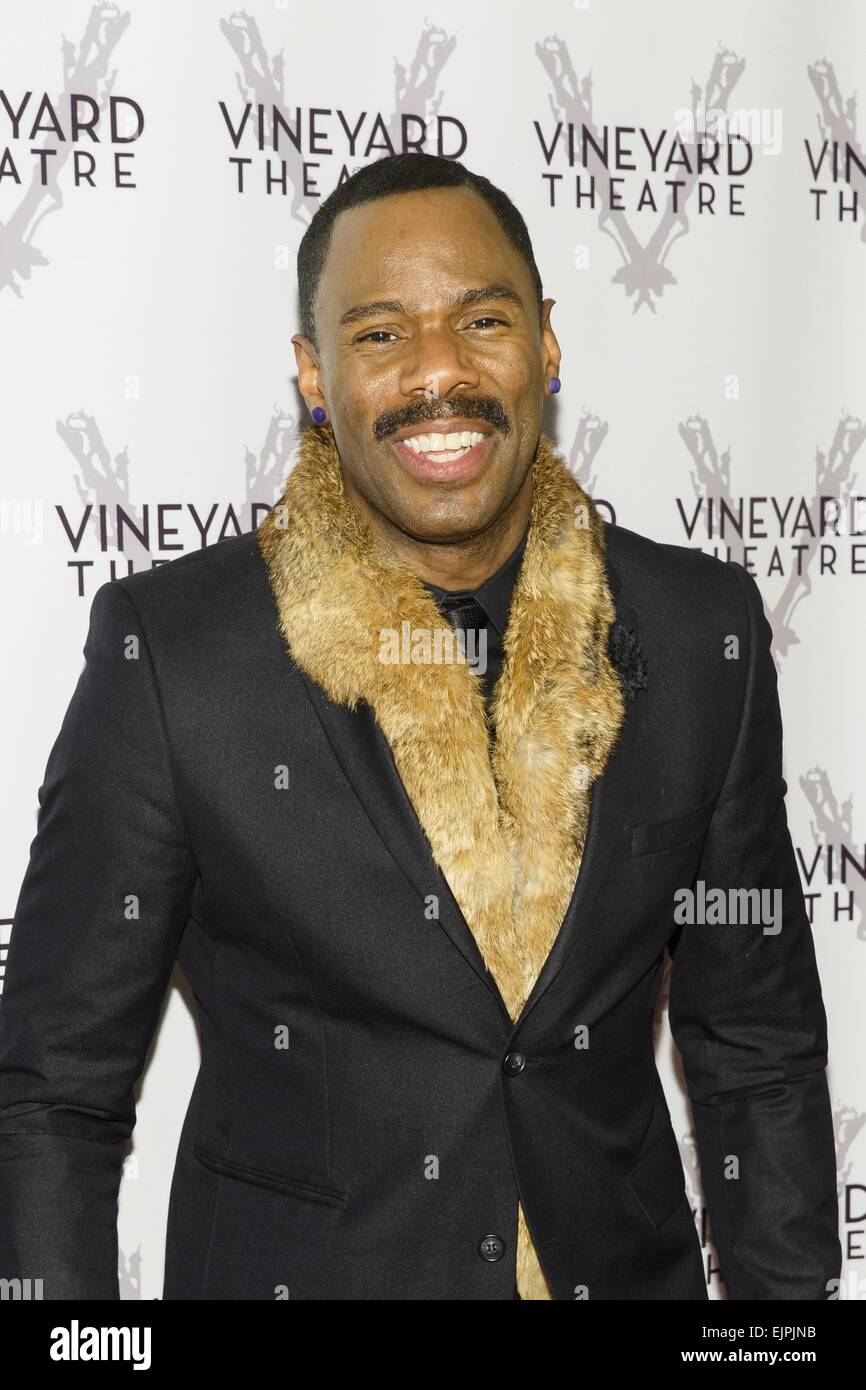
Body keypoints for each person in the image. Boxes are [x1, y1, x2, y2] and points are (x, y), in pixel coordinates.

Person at [0, 152, 840, 1300]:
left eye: (480, 319)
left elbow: (757, 1053)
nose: (438, 372)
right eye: (381, 334)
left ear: (546, 341)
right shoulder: (176, 656)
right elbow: (55, 1091)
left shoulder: (700, 634)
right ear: (313, 372)